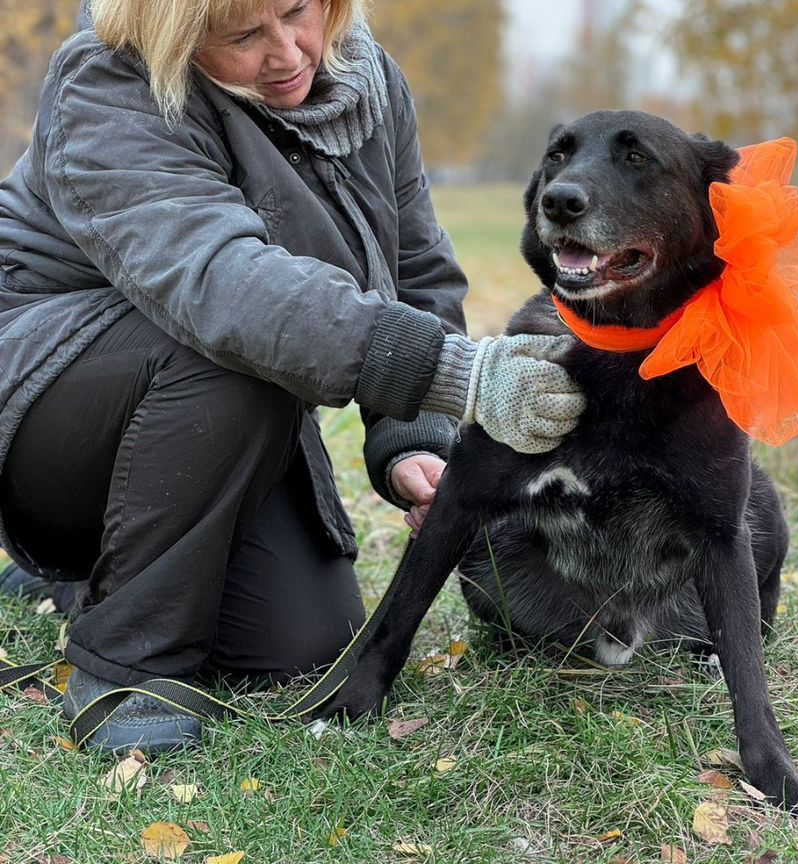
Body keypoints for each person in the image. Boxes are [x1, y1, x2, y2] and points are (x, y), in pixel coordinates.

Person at [0, 0, 583, 753]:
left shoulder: (366, 80)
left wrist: (412, 441)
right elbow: (223, 284)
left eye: (297, 10)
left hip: (198, 409)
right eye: (243, 36)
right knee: (230, 344)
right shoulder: (108, 84)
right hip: (49, 400)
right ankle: (126, 666)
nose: (288, 52)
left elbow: (415, 270)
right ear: (174, 34)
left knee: (304, 641)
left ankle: (84, 577)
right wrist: (458, 375)